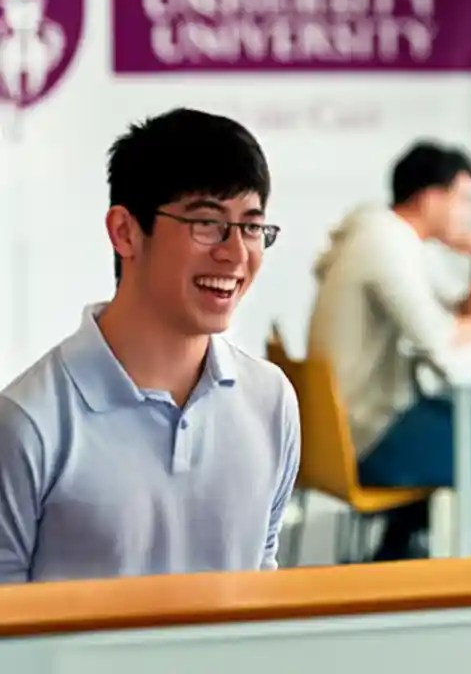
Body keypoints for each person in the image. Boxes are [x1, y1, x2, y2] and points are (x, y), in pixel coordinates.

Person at [0, 108, 299, 582]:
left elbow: (259, 585)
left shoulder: (271, 402)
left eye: (251, 226)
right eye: (207, 223)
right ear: (125, 231)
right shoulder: (29, 422)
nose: (236, 253)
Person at [308, 141, 471, 557]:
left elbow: (456, 316)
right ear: (431, 198)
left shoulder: (391, 238)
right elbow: (440, 338)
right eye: (464, 199)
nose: (469, 213)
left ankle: (410, 561)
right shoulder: (384, 244)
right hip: (373, 433)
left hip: (373, 418)